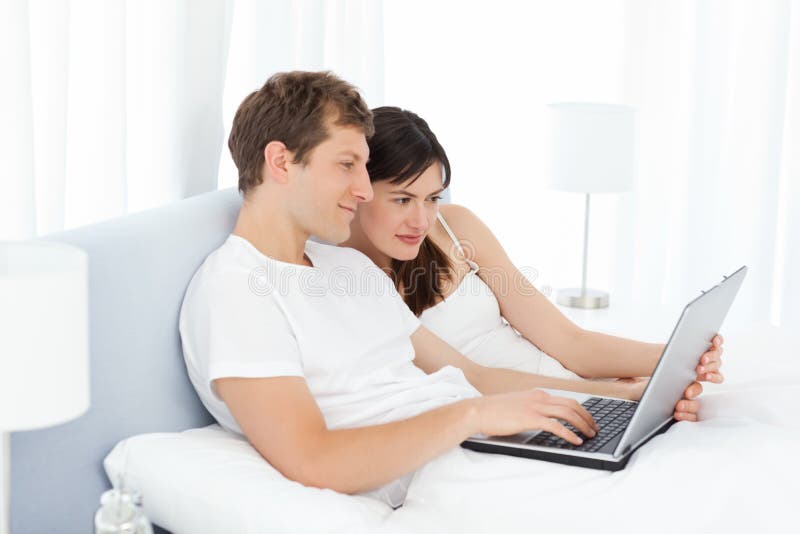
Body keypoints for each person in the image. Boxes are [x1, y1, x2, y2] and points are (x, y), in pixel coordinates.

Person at [179, 72, 720, 508]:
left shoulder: (346, 268)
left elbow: (474, 376)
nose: (364, 190)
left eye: (365, 168)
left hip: (484, 445)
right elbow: (313, 459)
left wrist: (632, 398)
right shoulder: (238, 291)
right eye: (347, 165)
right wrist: (473, 417)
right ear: (280, 162)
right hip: (449, 468)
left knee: (708, 475)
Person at [340, 106, 723, 423]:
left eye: (432, 197)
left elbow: (569, 342)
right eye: (403, 200)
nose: (422, 220)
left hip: (571, 387)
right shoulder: (350, 279)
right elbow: (474, 379)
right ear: (359, 191)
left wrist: (681, 355)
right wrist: (619, 395)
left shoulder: (455, 227)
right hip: (533, 406)